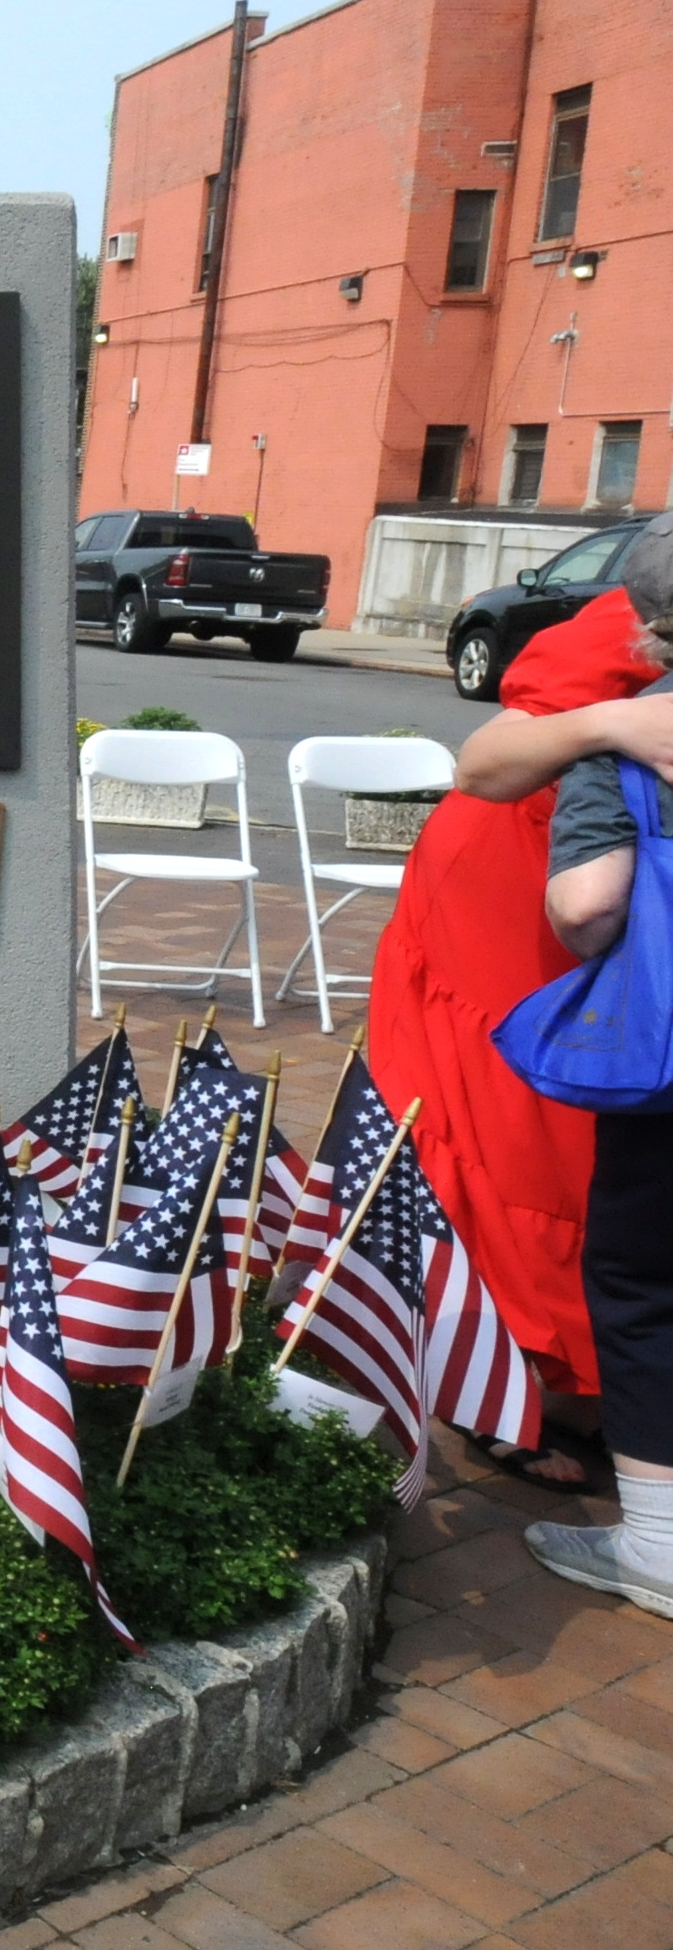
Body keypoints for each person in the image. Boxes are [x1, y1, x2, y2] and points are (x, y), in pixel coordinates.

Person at [374, 510, 673, 1491]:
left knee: (588, 1157)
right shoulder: (625, 623)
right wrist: (613, 724)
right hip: (515, 900)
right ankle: (510, 1390)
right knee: (515, 1141)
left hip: (613, 899)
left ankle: (597, 1385)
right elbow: (485, 762)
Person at [517, 553, 673, 1609]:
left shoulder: (634, 735)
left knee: (647, 1281)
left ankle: (657, 1546)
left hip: (668, 1065)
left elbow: (586, 905)